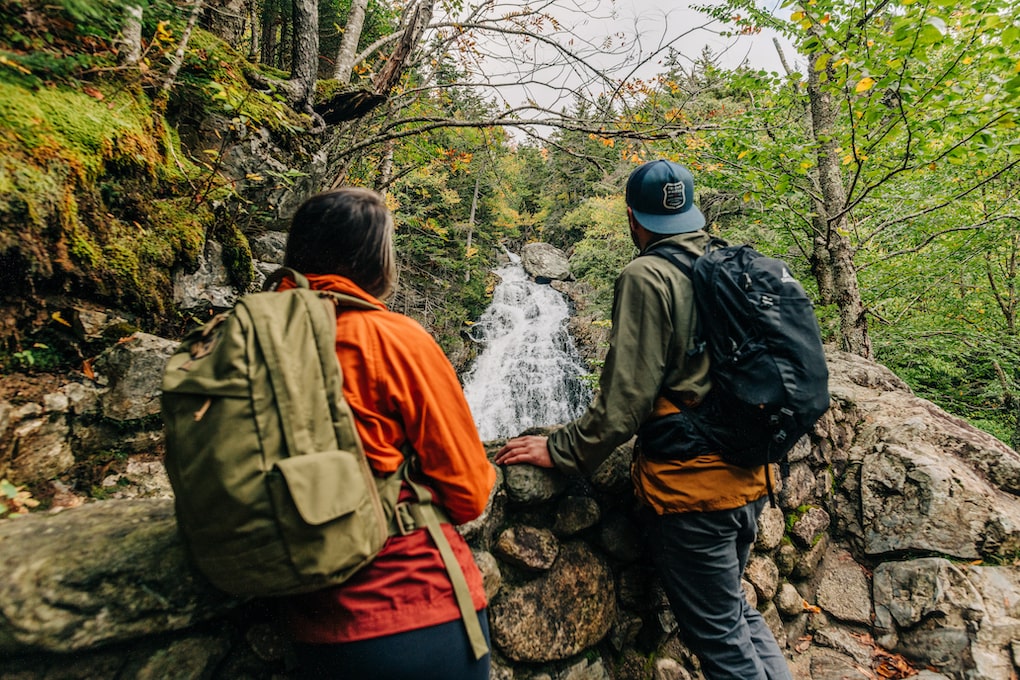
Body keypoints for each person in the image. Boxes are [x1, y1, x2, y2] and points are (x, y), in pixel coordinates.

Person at [495, 160, 793, 680]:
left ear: (633, 218)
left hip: (695, 488)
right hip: (753, 475)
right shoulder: (730, 264)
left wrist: (562, 449)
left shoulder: (647, 275)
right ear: (692, 209)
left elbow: (625, 401)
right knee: (737, 614)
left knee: (721, 640)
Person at [275, 187, 496, 680]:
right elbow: (469, 492)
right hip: (416, 605)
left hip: (311, 624)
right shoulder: (390, 338)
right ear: (378, 263)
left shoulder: (244, 341)